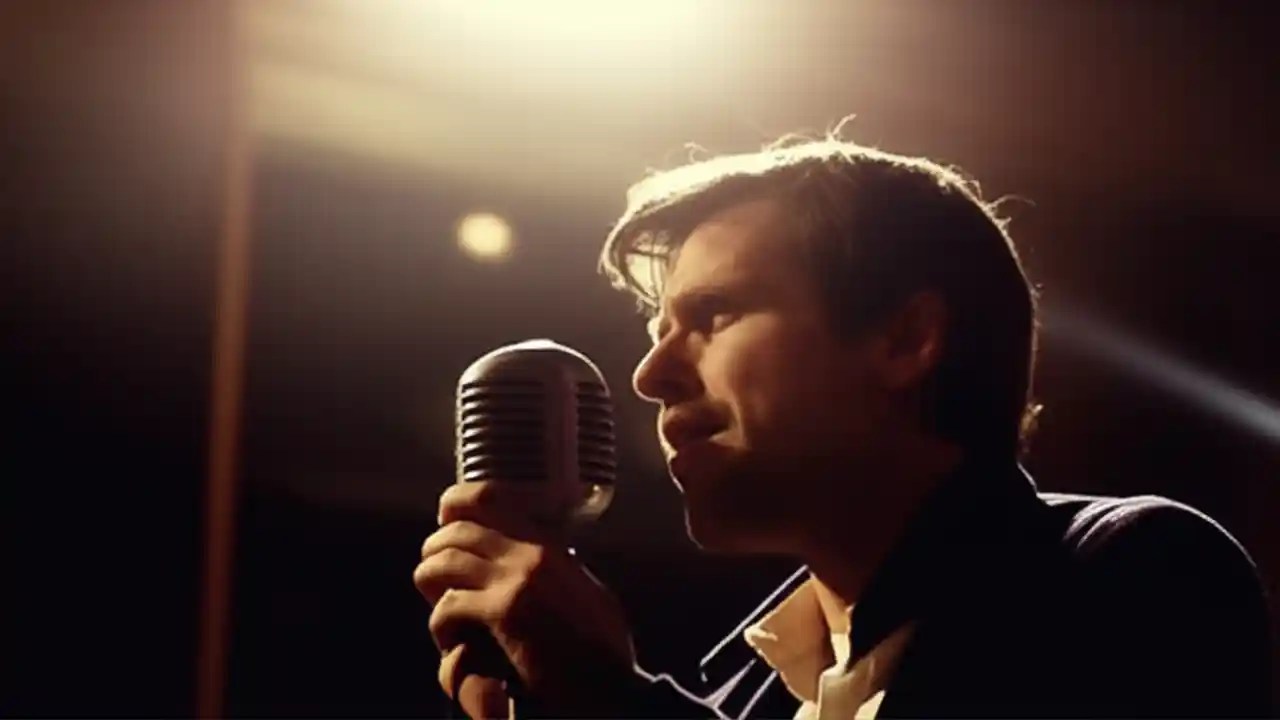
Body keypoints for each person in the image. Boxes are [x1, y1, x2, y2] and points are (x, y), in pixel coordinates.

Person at [413, 133, 1273, 718]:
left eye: (711, 315)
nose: (651, 373)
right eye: (655, 330)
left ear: (904, 340)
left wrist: (617, 708)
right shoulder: (752, 691)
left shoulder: (1136, 576)